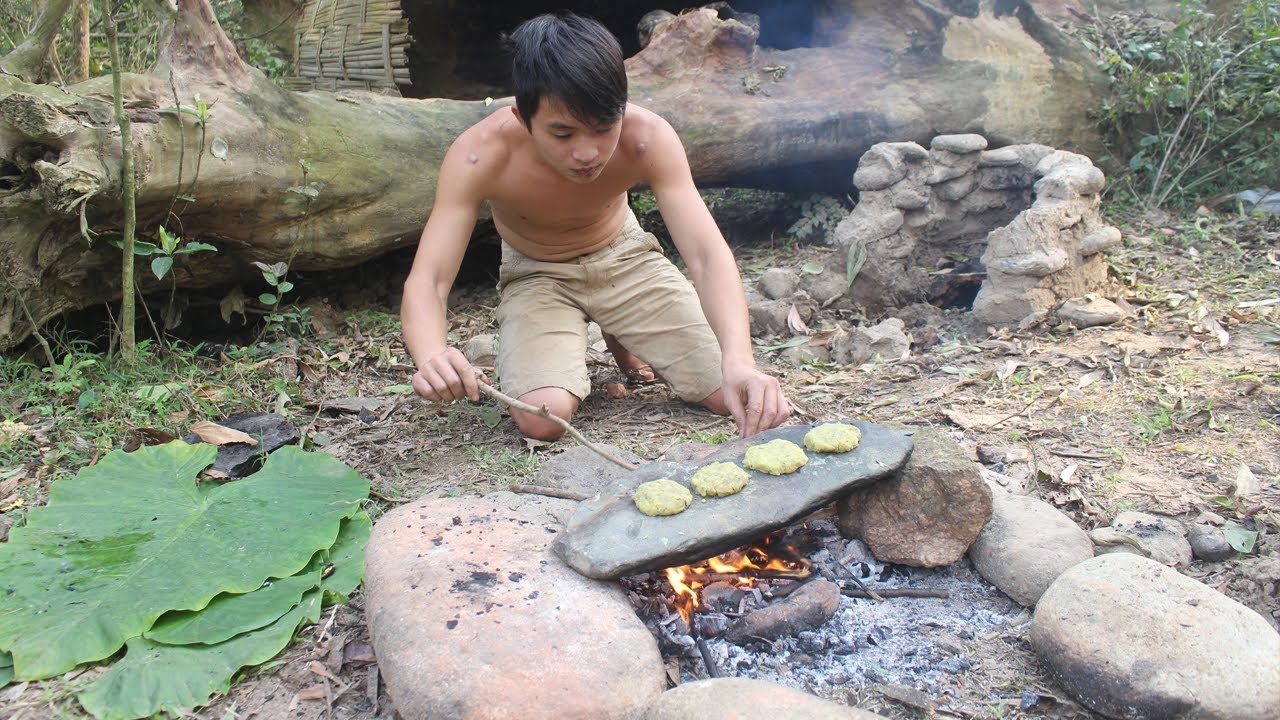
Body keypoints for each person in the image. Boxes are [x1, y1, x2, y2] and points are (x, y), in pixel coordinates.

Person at [401, 11, 790, 441]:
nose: (587, 153)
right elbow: (430, 279)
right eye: (563, 134)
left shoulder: (647, 138)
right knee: (544, 419)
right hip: (537, 271)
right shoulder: (479, 155)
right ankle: (599, 331)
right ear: (523, 119)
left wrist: (740, 360)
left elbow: (706, 255)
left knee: (729, 392)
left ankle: (621, 326)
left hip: (624, 256)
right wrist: (432, 354)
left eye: (603, 128)